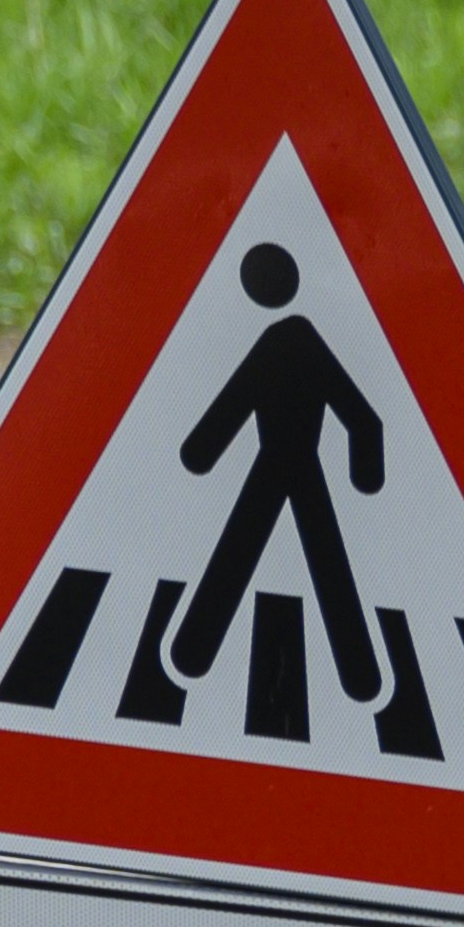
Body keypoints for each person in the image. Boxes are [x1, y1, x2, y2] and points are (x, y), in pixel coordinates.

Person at [165, 245, 386, 696]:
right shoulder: (299, 341)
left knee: (242, 555)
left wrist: (201, 452)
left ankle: (191, 654)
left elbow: (236, 403)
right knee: (322, 563)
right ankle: (361, 675)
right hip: (294, 466)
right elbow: (360, 416)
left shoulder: (283, 341)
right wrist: (363, 471)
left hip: (284, 465)